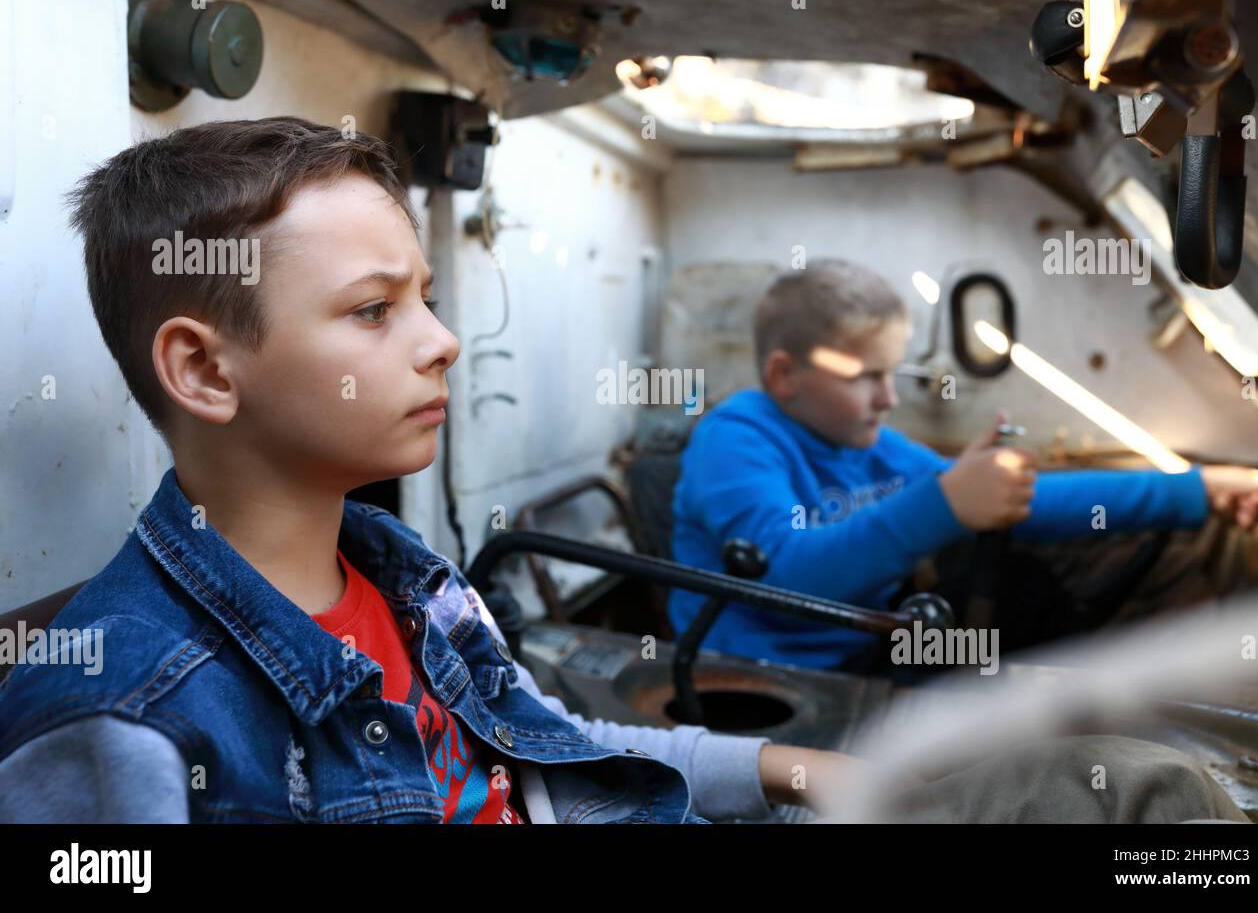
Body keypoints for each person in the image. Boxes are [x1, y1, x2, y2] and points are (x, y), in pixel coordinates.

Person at [0, 118, 852, 823]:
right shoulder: (126, 719)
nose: (443, 342)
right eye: (374, 310)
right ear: (206, 372)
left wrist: (798, 770)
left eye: (426, 300)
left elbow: (551, 743)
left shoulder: (407, 576)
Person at [669, 261, 1258, 672]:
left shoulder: (869, 441)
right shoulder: (734, 440)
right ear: (784, 375)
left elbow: (1032, 501)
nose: (888, 398)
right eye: (867, 378)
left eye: (892, 374)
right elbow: (787, 582)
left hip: (870, 645)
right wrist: (944, 505)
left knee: (1029, 589)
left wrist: (1199, 489)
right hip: (762, 674)